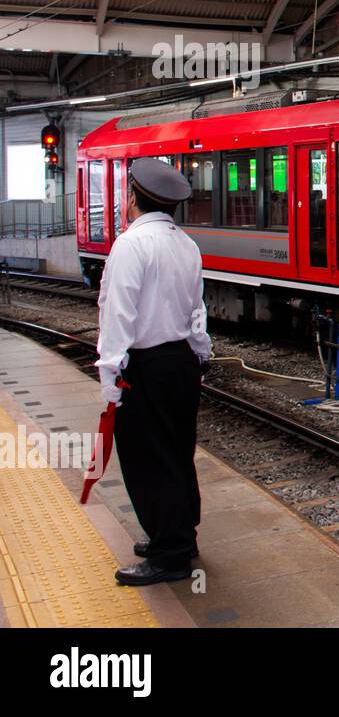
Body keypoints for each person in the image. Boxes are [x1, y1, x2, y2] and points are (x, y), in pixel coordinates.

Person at [95, 158, 212, 586]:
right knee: (178, 451)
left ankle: (170, 555)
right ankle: (181, 534)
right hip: (182, 362)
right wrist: (201, 354)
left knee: (148, 459)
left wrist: (110, 378)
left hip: (146, 368)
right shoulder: (187, 244)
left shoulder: (131, 245)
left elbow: (118, 316)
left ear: (132, 199)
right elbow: (196, 311)